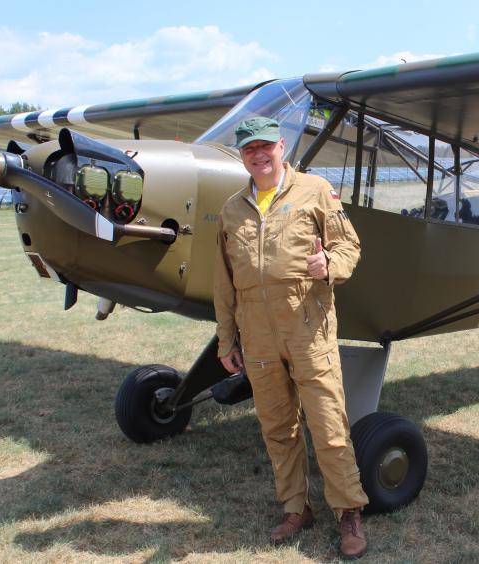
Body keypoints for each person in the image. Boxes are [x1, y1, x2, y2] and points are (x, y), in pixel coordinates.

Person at [213, 116, 369, 559]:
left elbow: (349, 245)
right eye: (249, 149)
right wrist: (227, 340)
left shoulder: (315, 190)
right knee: (278, 428)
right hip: (258, 338)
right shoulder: (231, 210)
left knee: (328, 426)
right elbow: (223, 283)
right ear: (242, 155)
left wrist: (329, 265)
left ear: (281, 147)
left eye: (265, 146)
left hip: (308, 331)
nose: (258, 154)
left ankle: (348, 512)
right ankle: (295, 508)